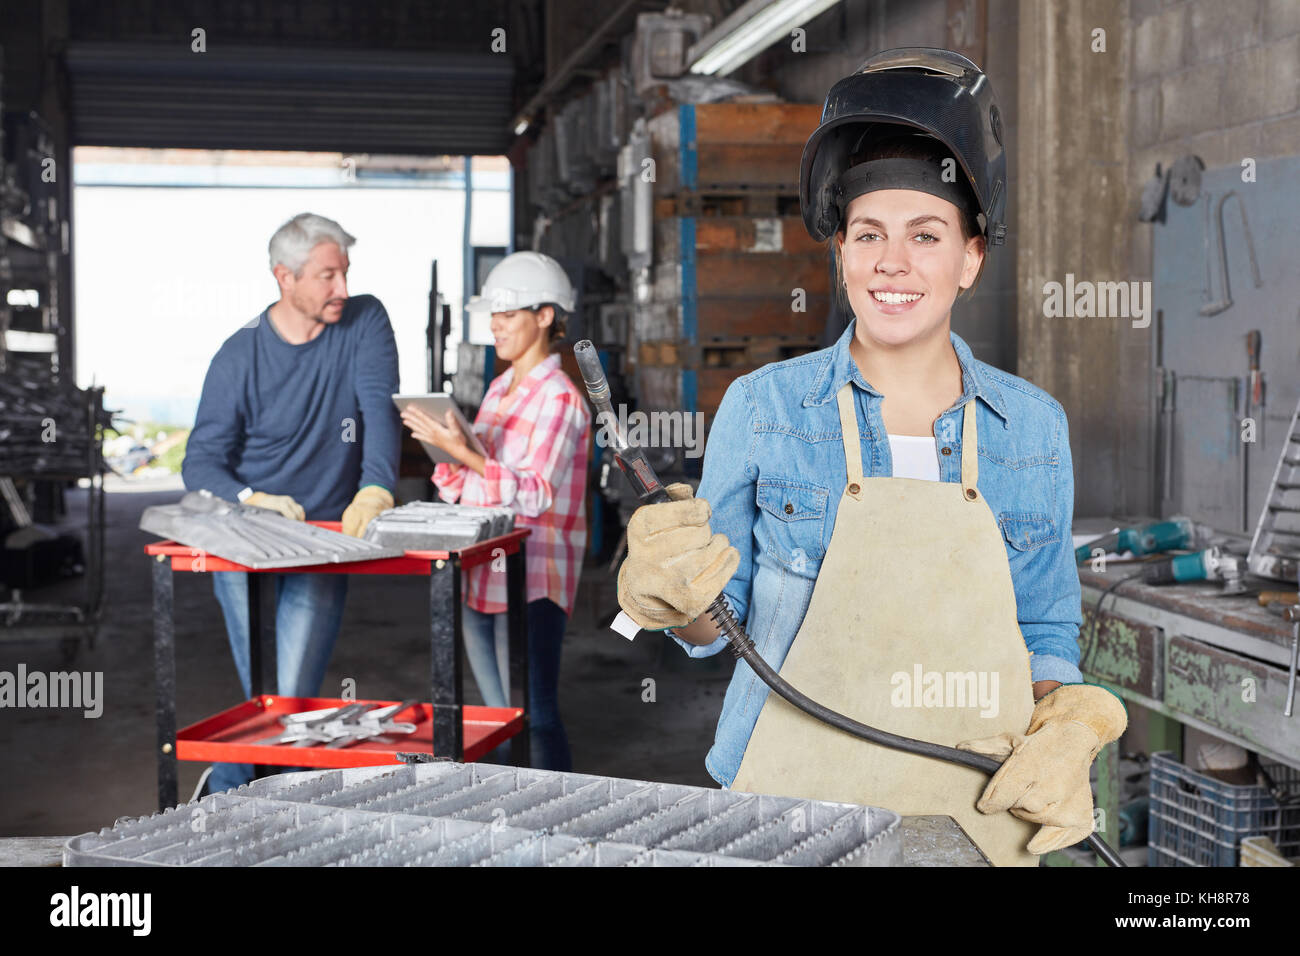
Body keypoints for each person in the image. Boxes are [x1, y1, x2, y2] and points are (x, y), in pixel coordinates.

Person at [615, 49, 1126, 866]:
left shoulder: (1032, 429)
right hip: (786, 805)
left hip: (970, 809)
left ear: (970, 258)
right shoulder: (765, 406)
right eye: (868, 234)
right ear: (843, 252)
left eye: (926, 235)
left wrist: (1068, 720)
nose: (893, 262)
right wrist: (674, 597)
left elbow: (1041, 626)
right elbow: (720, 626)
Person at [182, 212, 401, 793]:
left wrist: (376, 485)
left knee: (292, 696)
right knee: (267, 698)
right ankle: (242, 798)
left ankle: (229, 789)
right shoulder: (239, 356)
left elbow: (379, 408)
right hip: (245, 543)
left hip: (325, 541)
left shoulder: (363, 321)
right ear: (284, 276)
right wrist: (252, 499)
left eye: (346, 273)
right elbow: (199, 462)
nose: (343, 290)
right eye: (328, 276)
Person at [401, 251, 591, 771]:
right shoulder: (498, 391)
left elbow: (533, 496)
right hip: (481, 570)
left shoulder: (560, 400)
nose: (495, 326)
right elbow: (466, 487)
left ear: (546, 316)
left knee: (536, 714)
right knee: (500, 714)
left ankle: (559, 828)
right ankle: (518, 819)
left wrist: (463, 453)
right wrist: (443, 452)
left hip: (533, 582)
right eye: (493, 316)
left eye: (508, 315)